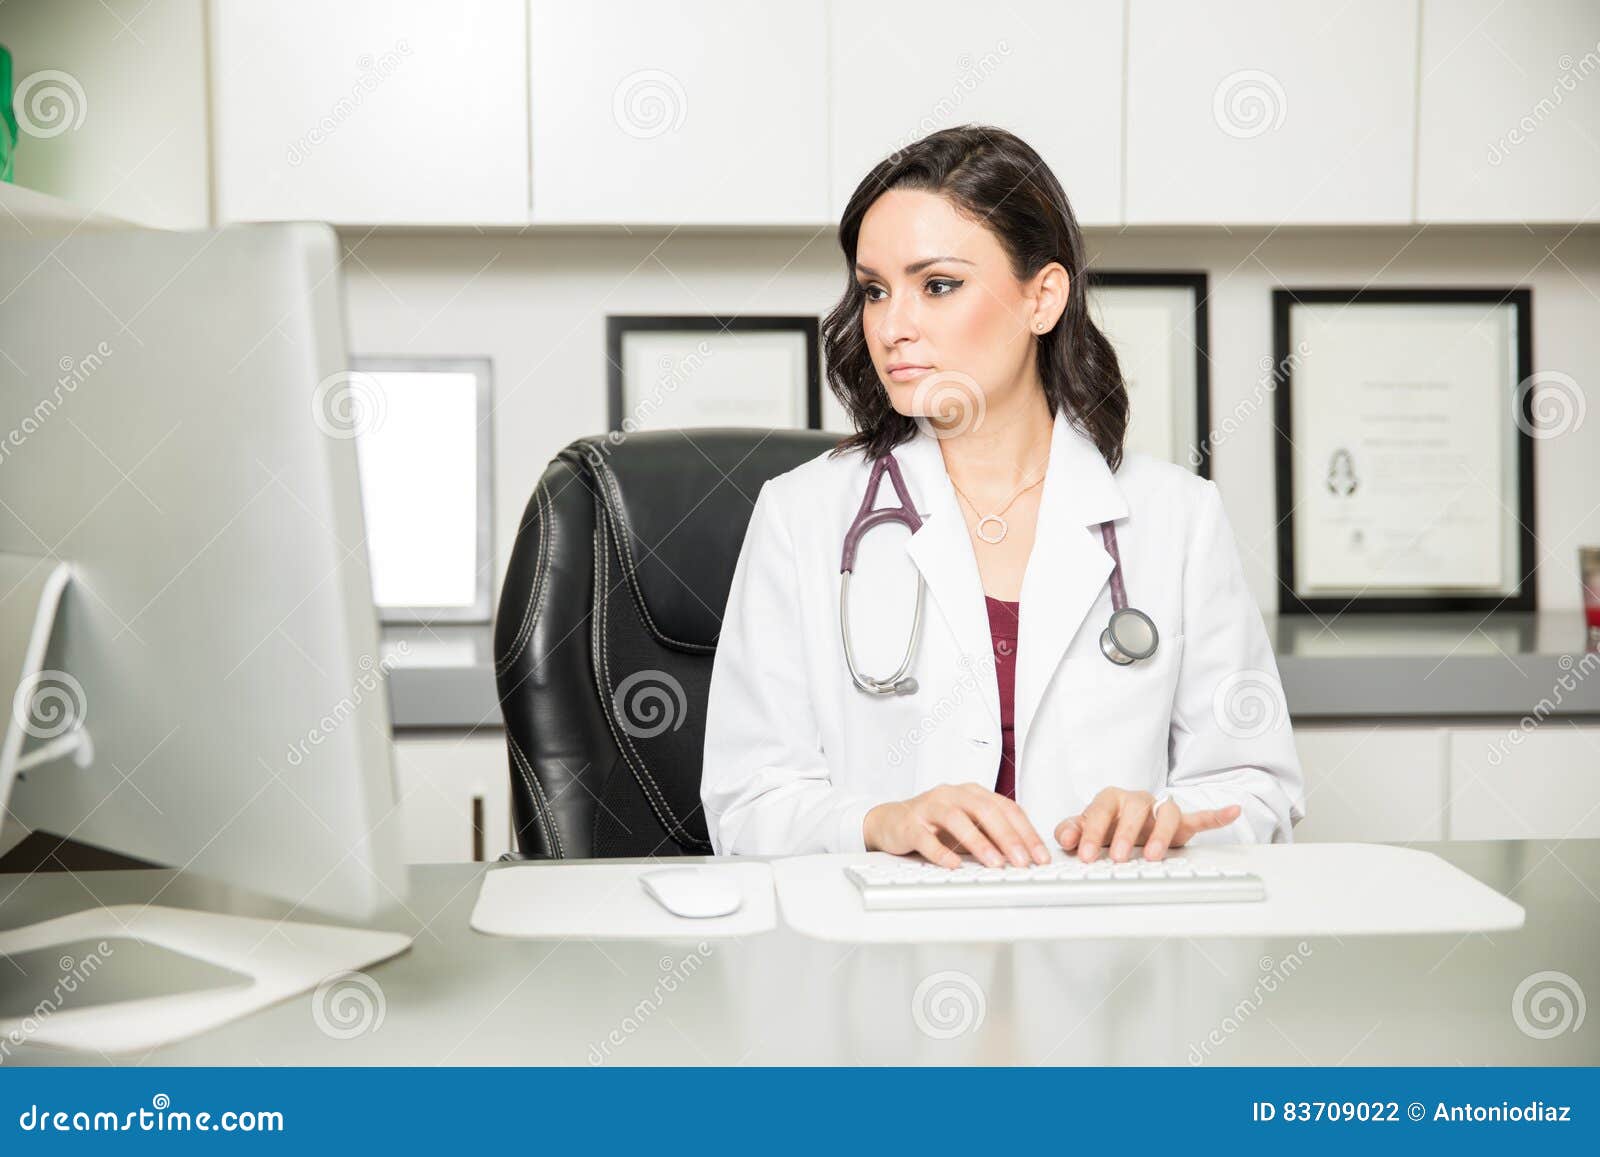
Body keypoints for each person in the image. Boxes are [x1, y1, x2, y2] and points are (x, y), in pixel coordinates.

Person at [700, 125, 1304, 868]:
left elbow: (1259, 787)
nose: (892, 325)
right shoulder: (803, 515)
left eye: (938, 285)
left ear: (1043, 297)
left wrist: (1167, 820)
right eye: (875, 291)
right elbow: (745, 801)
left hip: (1107, 958)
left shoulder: (1177, 517)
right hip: (892, 960)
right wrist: (881, 820)